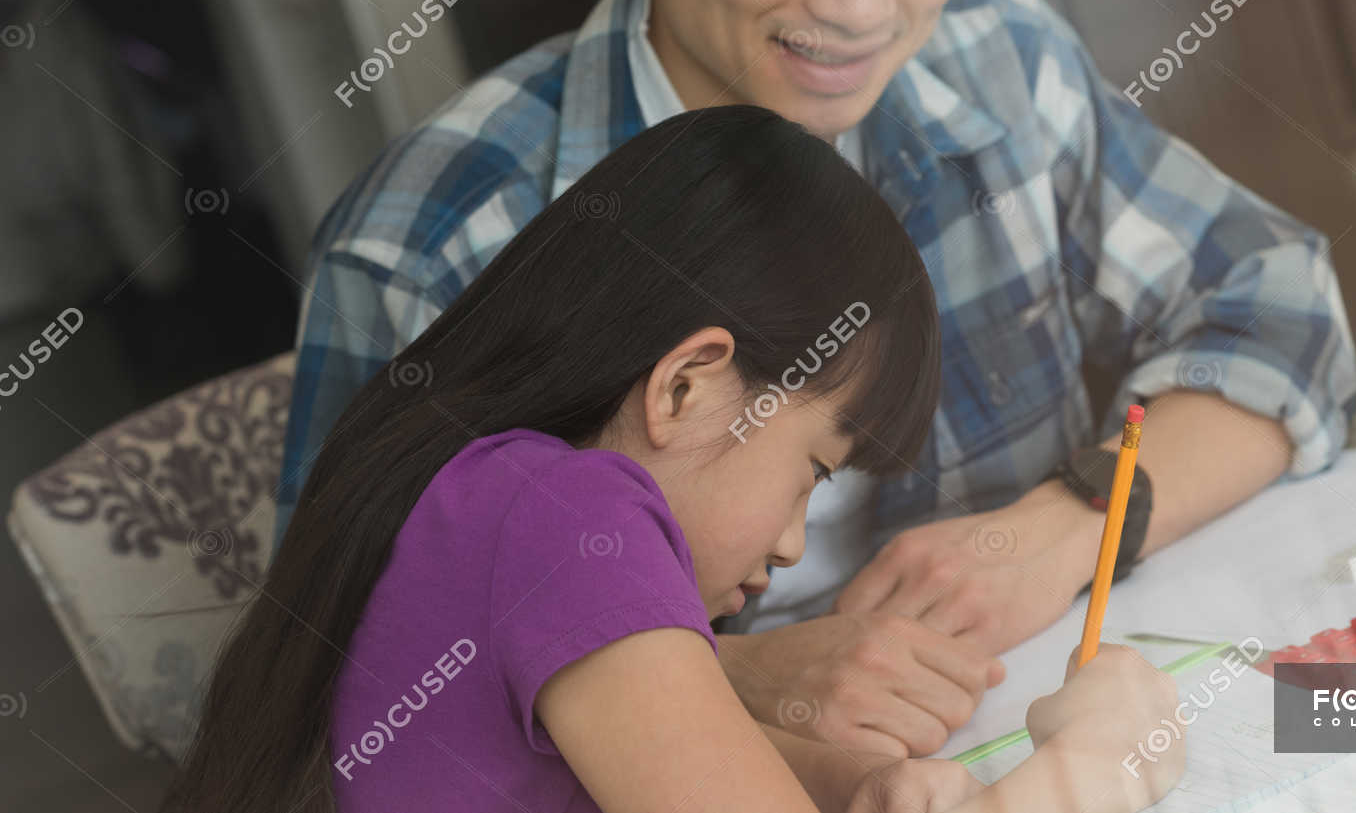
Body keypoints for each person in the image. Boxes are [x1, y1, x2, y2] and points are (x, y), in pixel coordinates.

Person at [279, 0, 1356, 758]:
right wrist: (724, 674)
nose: (858, 3)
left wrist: (1068, 528)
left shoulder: (999, 63)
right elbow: (349, 675)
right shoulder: (435, 236)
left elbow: (1280, 302)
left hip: (1016, 727)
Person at [163, 106, 1184, 813]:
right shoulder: (564, 515)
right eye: (814, 471)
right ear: (687, 384)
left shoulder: (485, 493)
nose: (791, 545)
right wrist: (1094, 762)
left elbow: (661, 763)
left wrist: (854, 786)